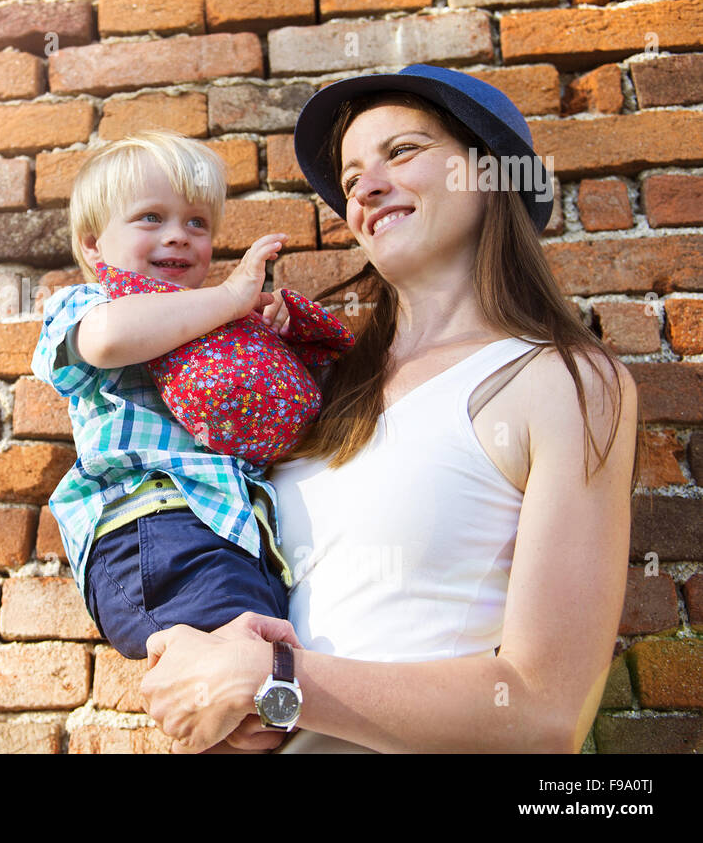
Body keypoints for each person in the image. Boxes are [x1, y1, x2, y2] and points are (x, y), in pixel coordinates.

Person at [138, 65, 639, 753]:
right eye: (350, 180)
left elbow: (546, 712)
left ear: (490, 175)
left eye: (401, 151)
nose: (365, 187)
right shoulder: (318, 394)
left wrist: (277, 678)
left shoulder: (561, 379)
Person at [30, 131, 348, 661]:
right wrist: (225, 299)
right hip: (151, 528)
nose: (178, 236)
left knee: (253, 692)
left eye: (196, 222)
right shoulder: (90, 302)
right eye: (151, 218)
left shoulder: (219, 323)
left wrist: (279, 341)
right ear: (92, 244)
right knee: (242, 674)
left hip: (241, 539)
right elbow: (109, 338)